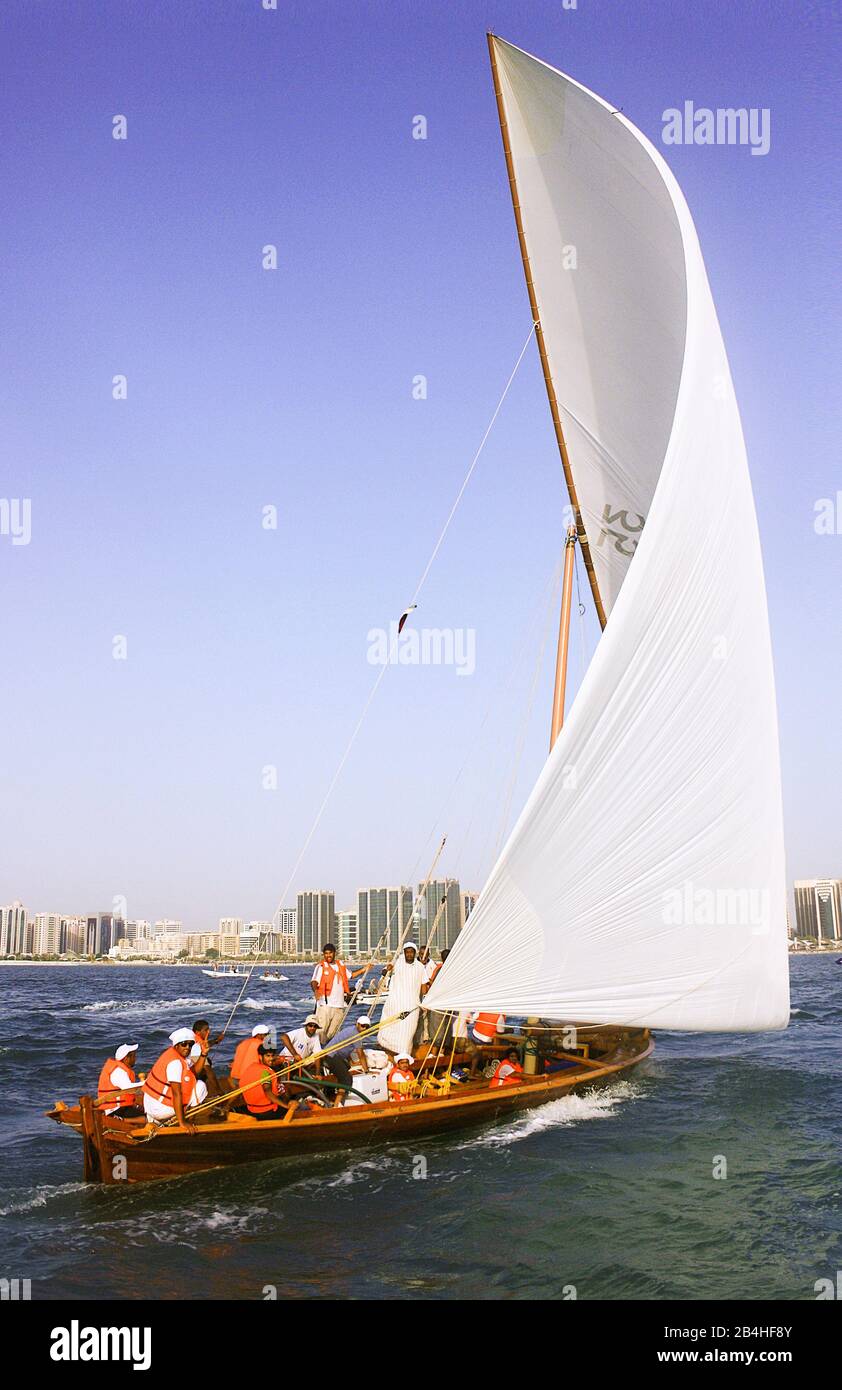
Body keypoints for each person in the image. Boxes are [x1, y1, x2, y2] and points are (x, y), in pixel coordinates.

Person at [142, 1028, 207, 1131]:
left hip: (150, 1106)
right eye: (184, 1044)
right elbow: (176, 1093)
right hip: (159, 1108)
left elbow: (193, 1073)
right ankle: (188, 1122)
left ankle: (161, 1120)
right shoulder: (175, 1063)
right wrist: (182, 1123)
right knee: (201, 1086)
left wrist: (203, 1054)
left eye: (190, 1044)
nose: (187, 1047)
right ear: (176, 1045)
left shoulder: (173, 1053)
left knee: (195, 1082)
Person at [310, 943, 368, 1043]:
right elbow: (314, 981)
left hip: (339, 1006)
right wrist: (315, 991)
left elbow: (351, 975)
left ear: (334, 953)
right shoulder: (320, 967)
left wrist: (364, 969)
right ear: (323, 955)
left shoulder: (340, 965)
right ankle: (317, 1053)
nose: (328, 955)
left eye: (330, 953)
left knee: (333, 1033)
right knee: (320, 1031)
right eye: (326, 953)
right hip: (325, 1005)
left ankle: (327, 1051)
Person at [377, 943, 427, 1058]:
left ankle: (404, 1056)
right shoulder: (397, 963)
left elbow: (424, 984)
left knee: (407, 1033)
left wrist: (424, 1001)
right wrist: (387, 970)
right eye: (407, 952)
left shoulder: (420, 967)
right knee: (389, 1029)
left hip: (412, 1005)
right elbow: (385, 972)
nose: (409, 954)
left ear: (414, 953)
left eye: (411, 952)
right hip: (395, 1004)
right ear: (404, 953)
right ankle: (389, 1052)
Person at [318, 1015, 372, 1107]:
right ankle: (337, 1105)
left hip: (331, 1055)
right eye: (363, 1026)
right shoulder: (356, 1035)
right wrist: (366, 1071)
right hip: (332, 1056)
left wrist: (351, 1062)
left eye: (367, 1027)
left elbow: (346, 1047)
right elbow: (361, 1054)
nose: (364, 1028)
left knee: (346, 1068)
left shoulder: (350, 1030)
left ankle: (331, 1097)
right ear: (357, 1024)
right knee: (346, 1079)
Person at [240, 1045, 287, 1120]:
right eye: (267, 1056)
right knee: (292, 1101)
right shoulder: (265, 1072)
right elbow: (268, 1092)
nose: (271, 1059)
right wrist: (287, 1106)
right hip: (266, 1111)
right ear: (260, 1057)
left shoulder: (251, 1067)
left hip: (251, 1109)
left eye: (273, 1055)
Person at [97, 1043, 143, 1118]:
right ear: (126, 1058)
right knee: (146, 1117)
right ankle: (123, 1121)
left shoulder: (121, 1069)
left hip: (121, 1107)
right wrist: (146, 1083)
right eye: (133, 1056)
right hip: (115, 1110)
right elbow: (128, 1087)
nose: (135, 1059)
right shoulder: (118, 1071)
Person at [421, 948, 452, 1049]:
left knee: (436, 1028)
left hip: (439, 1002)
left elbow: (434, 984)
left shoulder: (440, 969)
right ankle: (443, 1049)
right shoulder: (451, 970)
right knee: (446, 1026)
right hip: (448, 1002)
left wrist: (428, 982)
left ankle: (436, 1051)